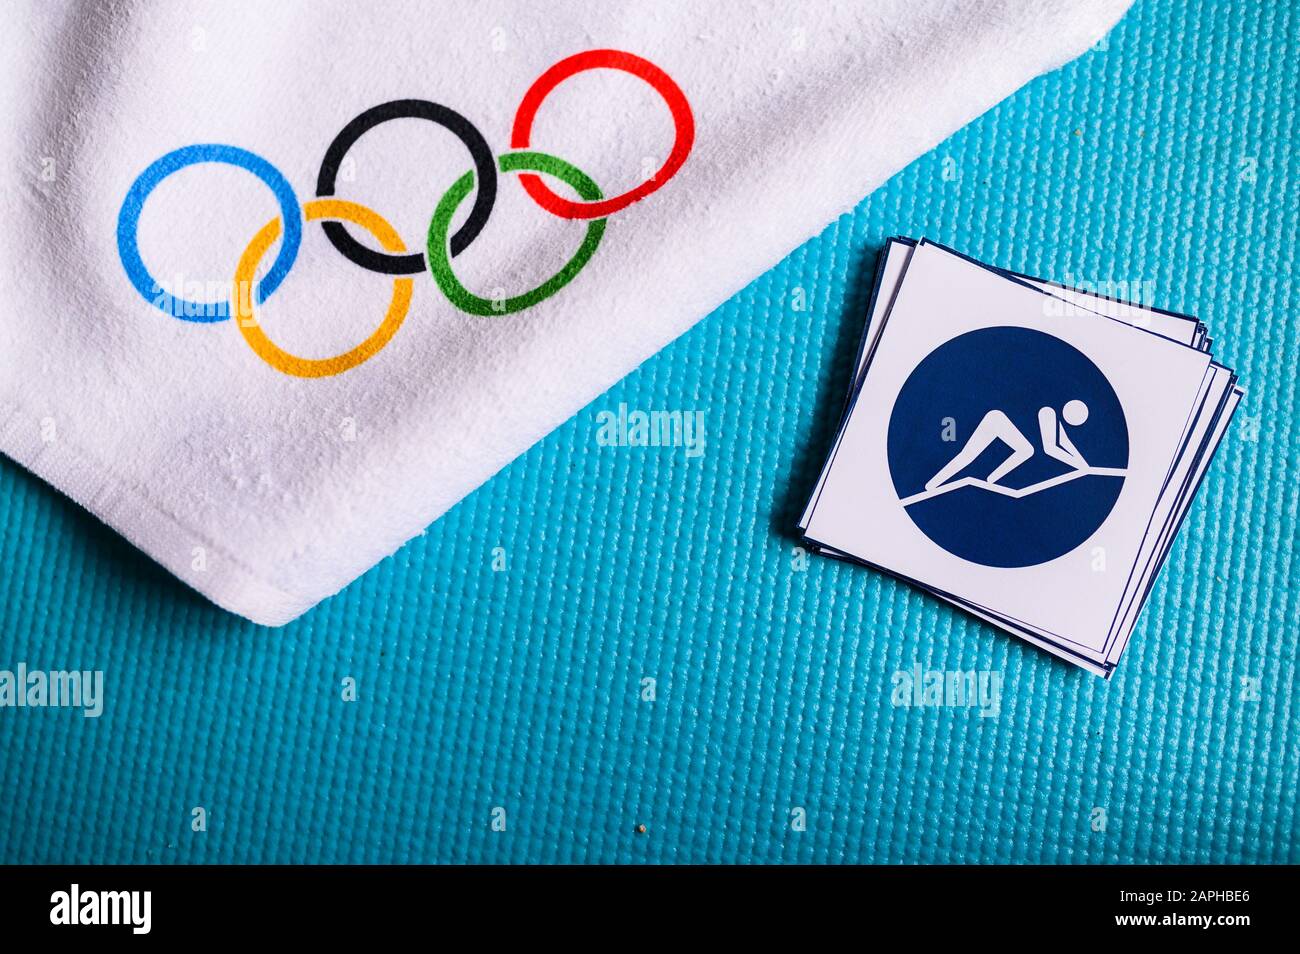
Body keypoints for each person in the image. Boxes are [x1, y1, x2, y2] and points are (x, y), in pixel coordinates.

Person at [924, 399, 1090, 493]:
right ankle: (932, 485)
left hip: (1002, 422)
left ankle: (992, 479)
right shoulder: (1048, 411)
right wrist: (1079, 466)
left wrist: (1082, 464)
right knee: (968, 455)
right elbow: (1050, 448)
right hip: (997, 421)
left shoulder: (1054, 416)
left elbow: (1064, 441)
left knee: (1026, 450)